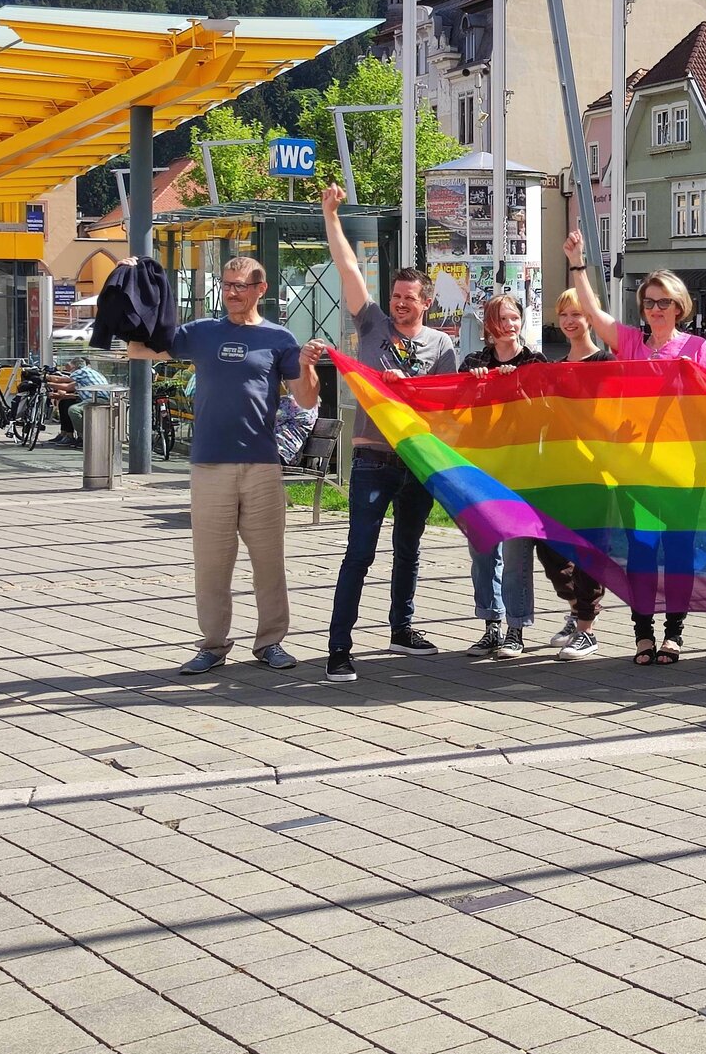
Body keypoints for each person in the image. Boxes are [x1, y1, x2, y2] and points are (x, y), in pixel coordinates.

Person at [120, 256, 323, 675]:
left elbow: (305, 400)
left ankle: (270, 642)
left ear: (260, 290)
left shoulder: (279, 338)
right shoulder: (202, 332)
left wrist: (305, 363)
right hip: (209, 464)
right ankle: (212, 644)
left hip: (261, 465)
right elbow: (138, 347)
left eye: (241, 286)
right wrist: (131, 282)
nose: (231, 292)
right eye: (227, 285)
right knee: (212, 562)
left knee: (269, 561)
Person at [321, 182, 460, 683]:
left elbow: (444, 407)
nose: (400, 304)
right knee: (359, 552)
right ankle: (340, 648)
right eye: (396, 296)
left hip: (417, 460)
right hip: (373, 458)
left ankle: (402, 627)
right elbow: (349, 270)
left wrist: (414, 387)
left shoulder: (441, 344)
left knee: (410, 548)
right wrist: (331, 217)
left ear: (425, 302)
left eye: (409, 298)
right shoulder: (373, 327)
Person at [563, 228, 706, 666]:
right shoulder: (629, 342)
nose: (655, 309)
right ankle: (643, 635)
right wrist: (577, 260)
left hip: (682, 466)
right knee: (643, 551)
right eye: (649, 302)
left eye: (663, 301)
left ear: (679, 306)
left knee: (679, 550)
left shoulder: (697, 348)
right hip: (635, 467)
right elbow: (591, 309)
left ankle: (675, 634)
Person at [531, 287, 614, 660]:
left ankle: (587, 629)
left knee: (586, 548)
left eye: (577, 314)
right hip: (557, 469)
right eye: (564, 314)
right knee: (549, 546)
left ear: (591, 319)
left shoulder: (605, 362)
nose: (569, 321)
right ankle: (576, 608)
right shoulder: (555, 364)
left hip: (593, 471)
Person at [460, 293, 543, 660]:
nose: (509, 325)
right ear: (488, 327)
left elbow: (545, 414)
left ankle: (516, 627)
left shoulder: (534, 361)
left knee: (515, 553)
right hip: (481, 470)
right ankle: (490, 624)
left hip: (521, 471)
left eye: (514, 319)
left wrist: (518, 386)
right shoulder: (474, 362)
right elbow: (460, 413)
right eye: (501, 320)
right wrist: (478, 385)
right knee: (482, 553)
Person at [44, 358, 111, 447]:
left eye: (70, 368)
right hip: (100, 398)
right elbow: (69, 387)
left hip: (97, 399)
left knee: (73, 410)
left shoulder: (81, 371)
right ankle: (67, 434)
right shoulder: (89, 374)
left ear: (74, 367)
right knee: (65, 402)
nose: (69, 371)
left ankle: (85, 436)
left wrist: (46, 379)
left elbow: (61, 380)